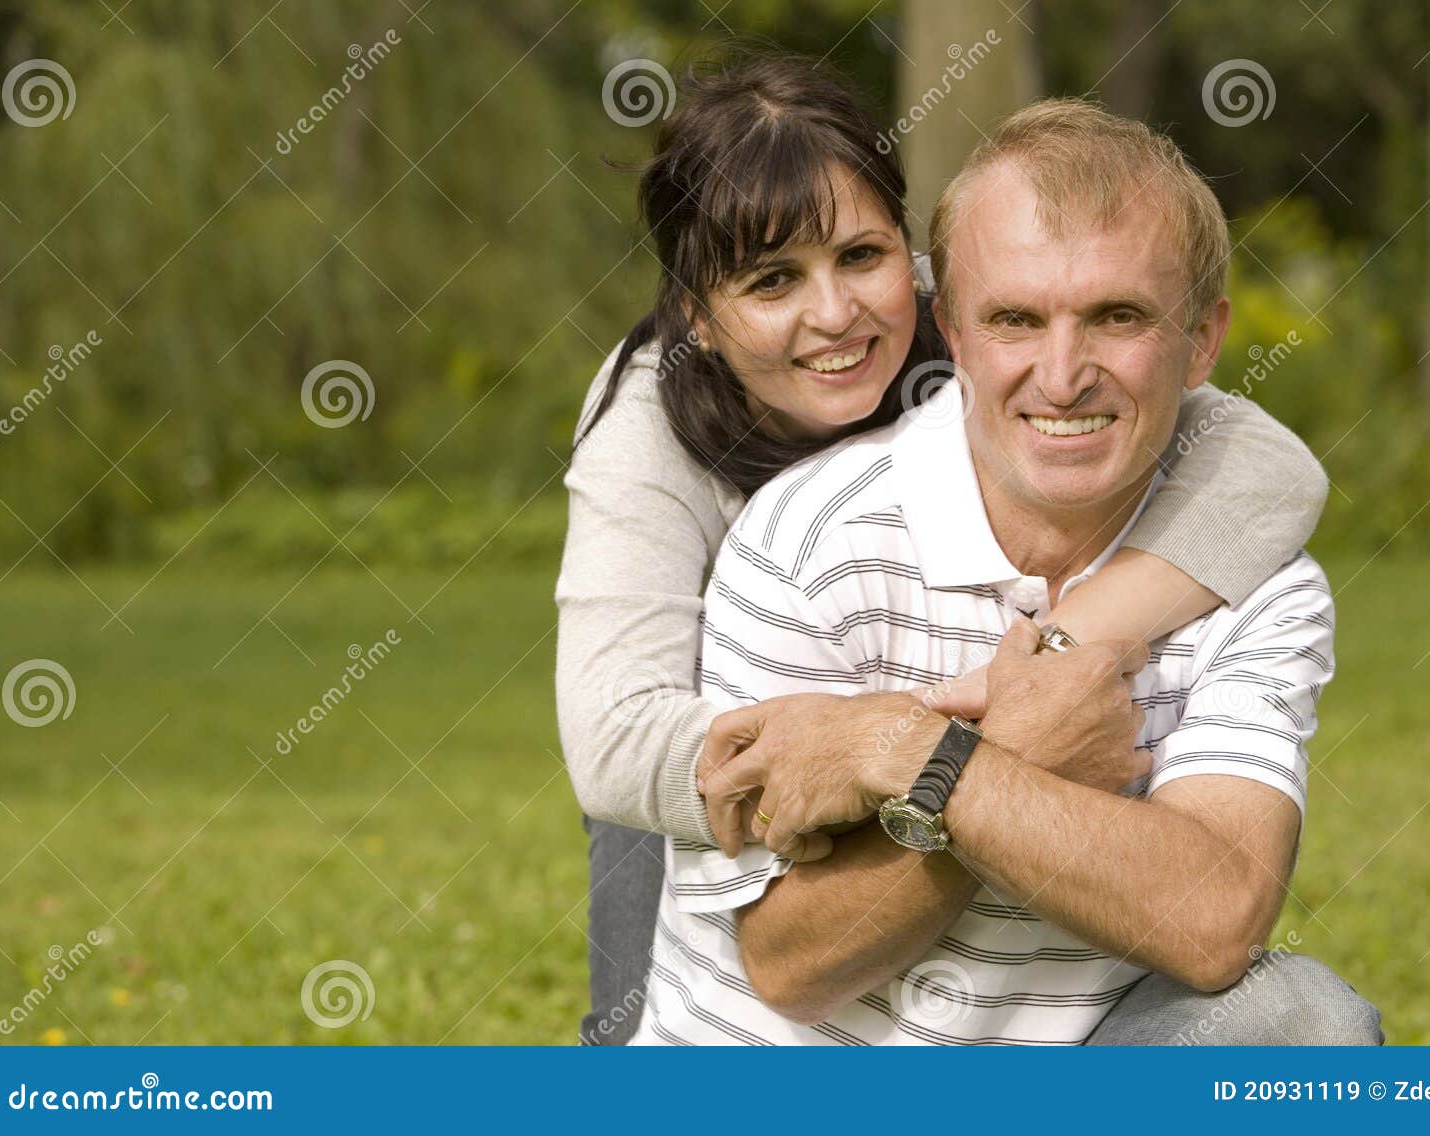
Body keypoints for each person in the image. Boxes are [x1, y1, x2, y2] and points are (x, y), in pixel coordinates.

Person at [555, 51, 1329, 1045]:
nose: (834, 312)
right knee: (647, 958)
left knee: (1301, 1019)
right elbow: (618, 742)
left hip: (934, 698)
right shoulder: (651, 428)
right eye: (771, 280)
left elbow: (1272, 470)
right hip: (710, 746)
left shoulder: (999, 298)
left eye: (860, 256)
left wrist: (1056, 647)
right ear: (699, 313)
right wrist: (960, 743)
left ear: (919, 276)